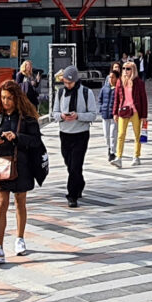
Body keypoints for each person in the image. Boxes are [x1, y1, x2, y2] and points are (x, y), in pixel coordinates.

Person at [0, 81, 45, 260]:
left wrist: (17, 137)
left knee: (20, 202)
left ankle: (19, 238)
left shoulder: (26, 118)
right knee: (1, 205)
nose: (5, 102)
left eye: (9, 98)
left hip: (22, 165)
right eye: (3, 98)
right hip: (1, 165)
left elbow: (36, 141)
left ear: (17, 98)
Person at [49, 66, 98, 208]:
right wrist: (62, 116)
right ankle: (80, 183)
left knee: (76, 165)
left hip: (81, 134)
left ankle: (72, 196)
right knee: (69, 164)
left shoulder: (86, 92)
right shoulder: (60, 93)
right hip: (65, 133)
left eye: (69, 83)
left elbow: (93, 114)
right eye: (65, 82)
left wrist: (78, 116)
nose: (67, 85)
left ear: (76, 81)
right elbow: (54, 113)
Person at [113, 60, 148, 167]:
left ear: (133, 70)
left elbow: (144, 99)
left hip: (136, 111)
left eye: (128, 69)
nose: (125, 71)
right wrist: (115, 112)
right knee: (120, 135)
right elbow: (116, 99)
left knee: (137, 135)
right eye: (123, 68)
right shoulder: (119, 81)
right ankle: (118, 158)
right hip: (123, 111)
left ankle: (136, 156)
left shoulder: (139, 82)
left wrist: (144, 116)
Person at [98, 63, 120, 162]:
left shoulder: (119, 89)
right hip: (105, 115)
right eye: (110, 77)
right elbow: (100, 99)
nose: (111, 79)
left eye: (113, 77)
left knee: (113, 134)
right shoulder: (105, 88)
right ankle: (109, 148)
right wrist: (101, 109)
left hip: (114, 116)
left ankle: (113, 152)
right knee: (106, 135)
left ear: (117, 78)